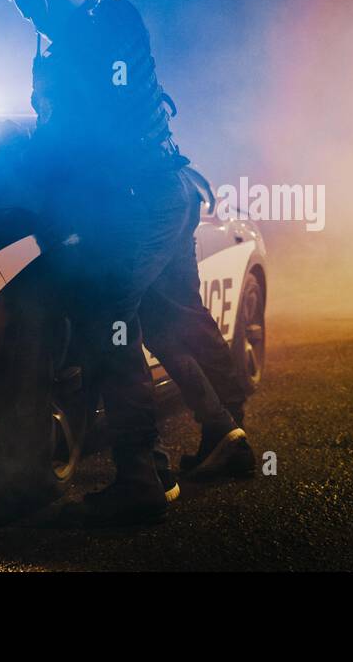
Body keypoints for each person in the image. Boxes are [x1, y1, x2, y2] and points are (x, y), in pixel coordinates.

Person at [9, 0, 197, 524]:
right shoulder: (113, 16)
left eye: (27, 13)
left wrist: (15, 154)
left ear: (38, 4)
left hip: (144, 199)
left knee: (108, 324)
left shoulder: (83, 41)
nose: (31, 26)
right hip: (158, 194)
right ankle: (160, 468)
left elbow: (65, 140)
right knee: (132, 323)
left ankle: (140, 479)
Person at [140, 165, 255, 481]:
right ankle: (230, 432)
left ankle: (147, 472)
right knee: (174, 322)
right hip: (167, 193)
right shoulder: (150, 132)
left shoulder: (92, 121)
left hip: (147, 200)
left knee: (132, 314)